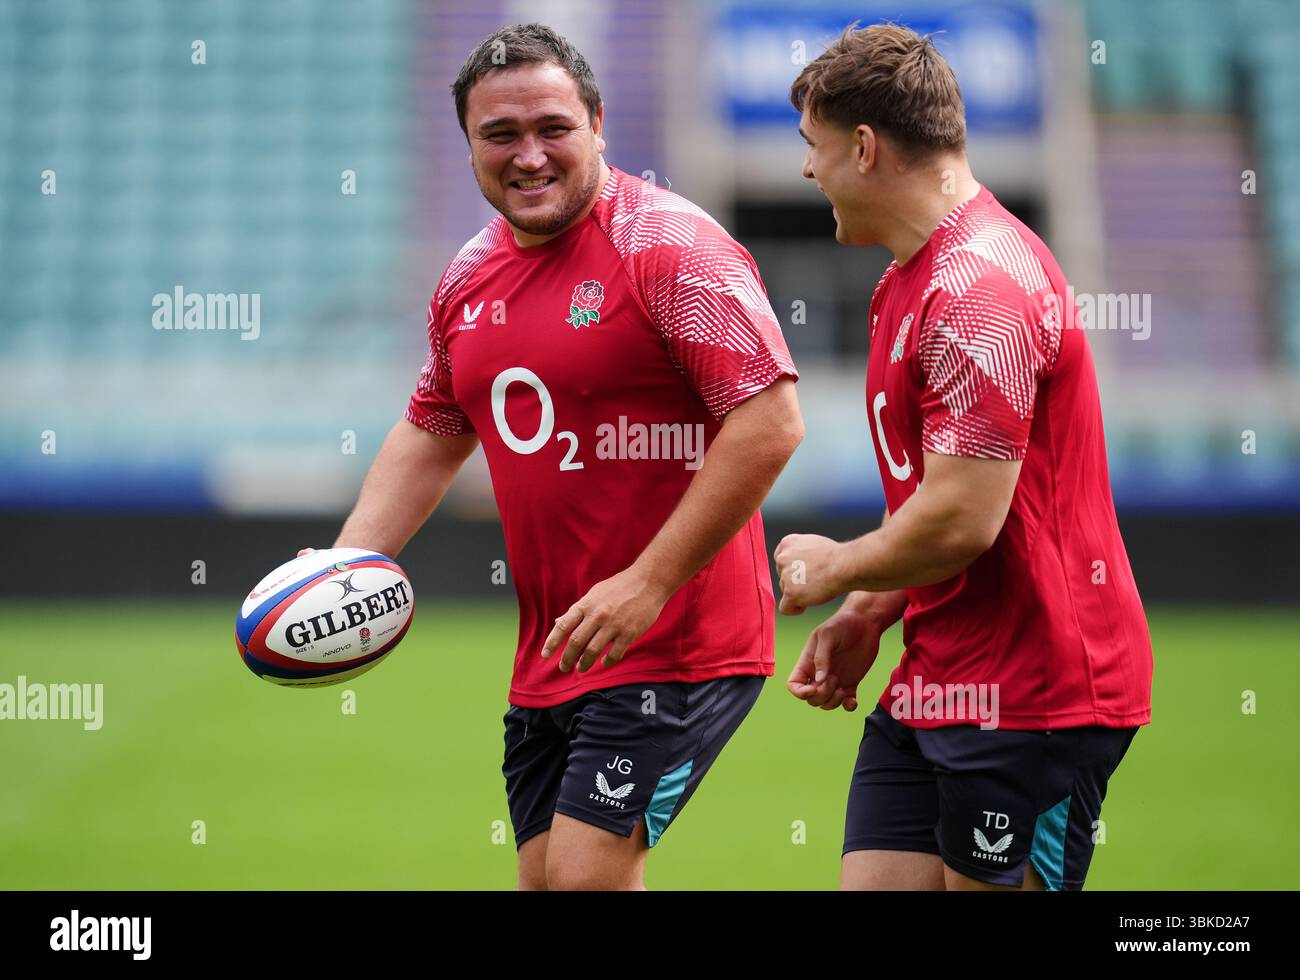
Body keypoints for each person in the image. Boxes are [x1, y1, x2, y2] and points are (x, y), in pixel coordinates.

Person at [324, 23, 801, 890]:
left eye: (553, 128)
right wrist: (346, 567)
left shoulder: (669, 249)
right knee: (548, 881)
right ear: (468, 146)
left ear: (599, 124)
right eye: (500, 136)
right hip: (556, 649)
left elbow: (770, 422)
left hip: (675, 639)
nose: (529, 155)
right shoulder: (467, 278)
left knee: (586, 879)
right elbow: (433, 429)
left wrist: (650, 582)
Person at [774, 23, 1152, 891]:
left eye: (814, 147)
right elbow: (929, 498)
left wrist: (837, 567)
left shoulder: (982, 289)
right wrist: (870, 612)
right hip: (941, 671)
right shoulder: (907, 278)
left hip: (1041, 692)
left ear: (864, 148)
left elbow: (962, 518)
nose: (808, 170)